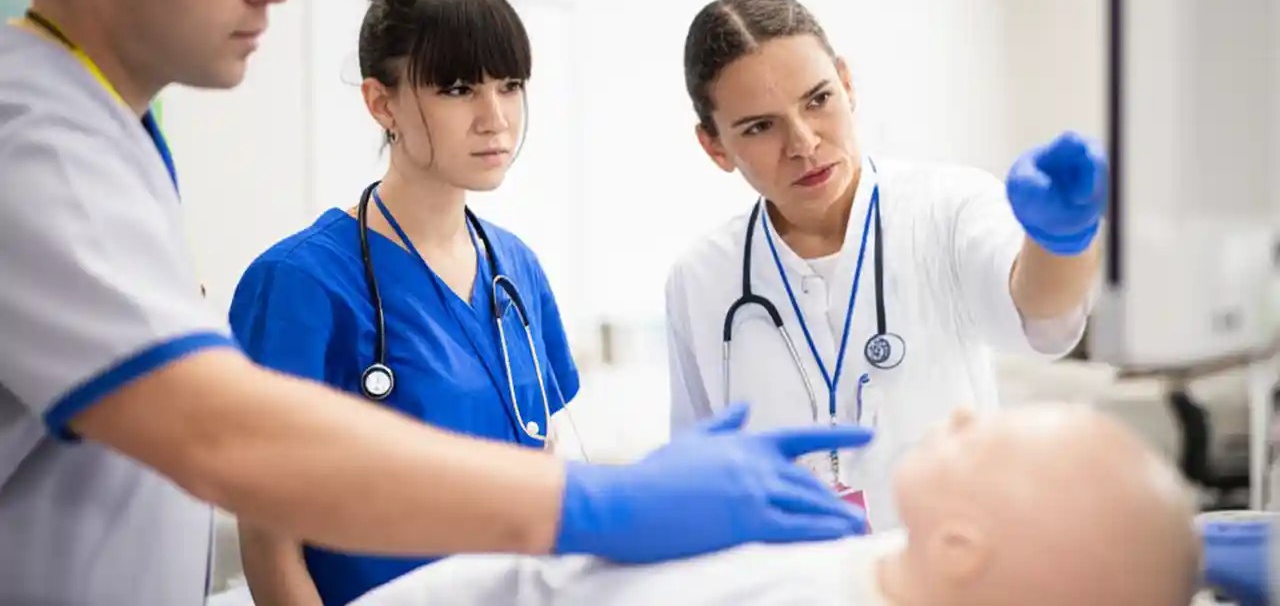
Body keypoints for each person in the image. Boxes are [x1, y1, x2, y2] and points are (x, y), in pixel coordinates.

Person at [0, 0, 875, 604]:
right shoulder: (38, 146)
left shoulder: (113, 138)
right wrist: (602, 504)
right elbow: (234, 451)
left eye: (509, 85)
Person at [666, 0, 1108, 529]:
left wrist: (1062, 238)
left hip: (946, 574)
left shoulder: (946, 207)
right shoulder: (700, 278)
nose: (803, 142)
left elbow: (1041, 319)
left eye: (818, 99)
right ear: (715, 147)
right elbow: (695, 471)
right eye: (760, 127)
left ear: (847, 84)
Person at [227, 0, 587, 606]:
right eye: (456, 89)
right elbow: (268, 544)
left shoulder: (518, 271)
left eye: (509, 85)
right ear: (380, 102)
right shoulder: (300, 286)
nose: (495, 117)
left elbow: (541, 473)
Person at [346, 403, 1203, 606]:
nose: (965, 412)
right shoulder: (880, 558)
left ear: (963, 550)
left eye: (990, 439)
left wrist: (604, 506)